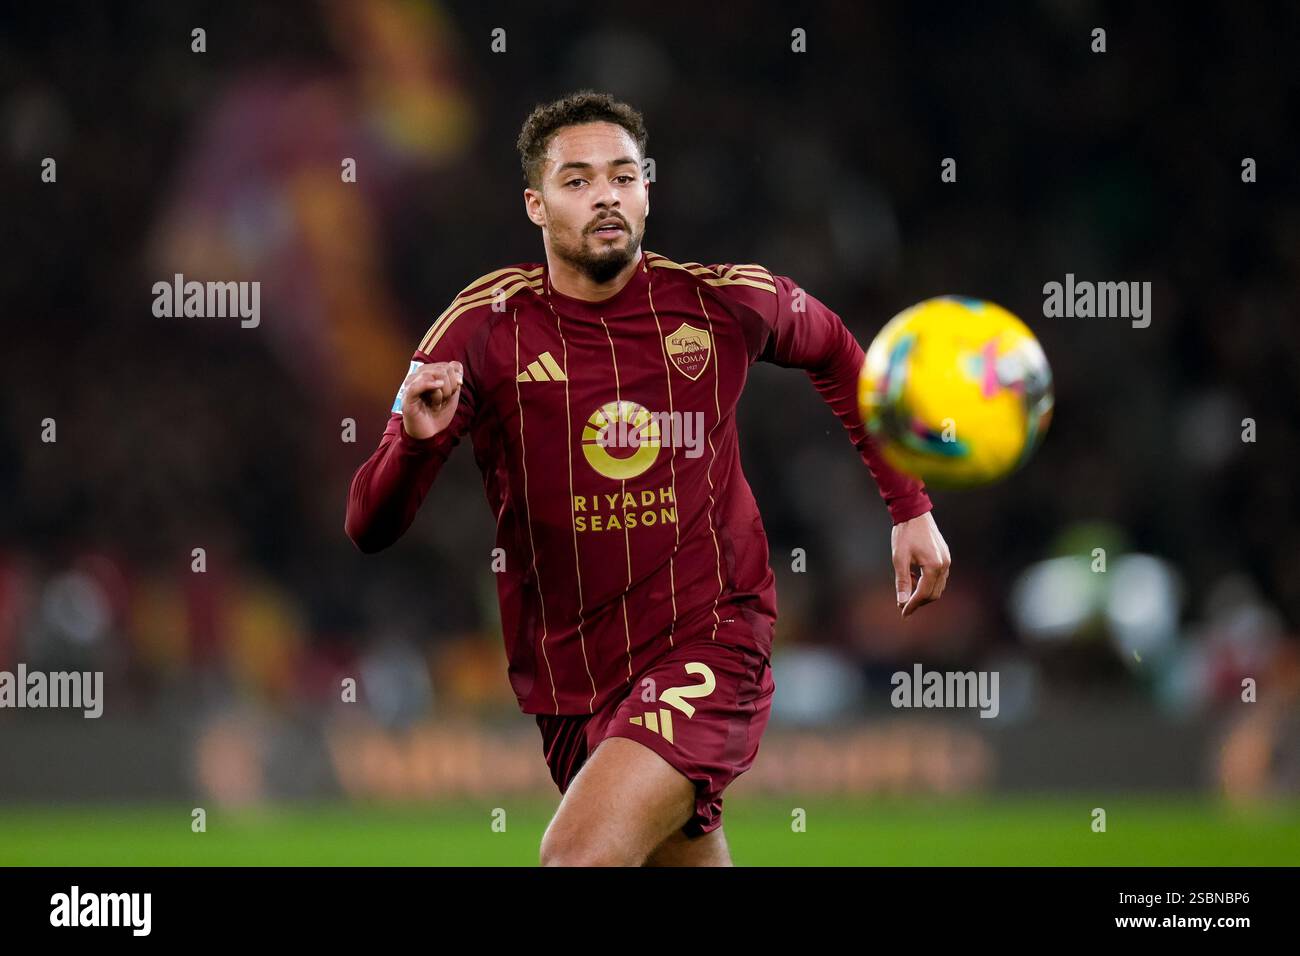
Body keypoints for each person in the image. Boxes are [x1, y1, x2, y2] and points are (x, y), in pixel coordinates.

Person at [345, 90, 951, 866]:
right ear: (535, 203)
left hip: (712, 637)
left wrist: (910, 506)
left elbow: (837, 351)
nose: (606, 195)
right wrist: (417, 447)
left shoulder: (722, 302)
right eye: (577, 180)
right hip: (570, 674)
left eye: (624, 176)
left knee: (577, 856)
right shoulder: (483, 328)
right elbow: (369, 524)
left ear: (647, 189)